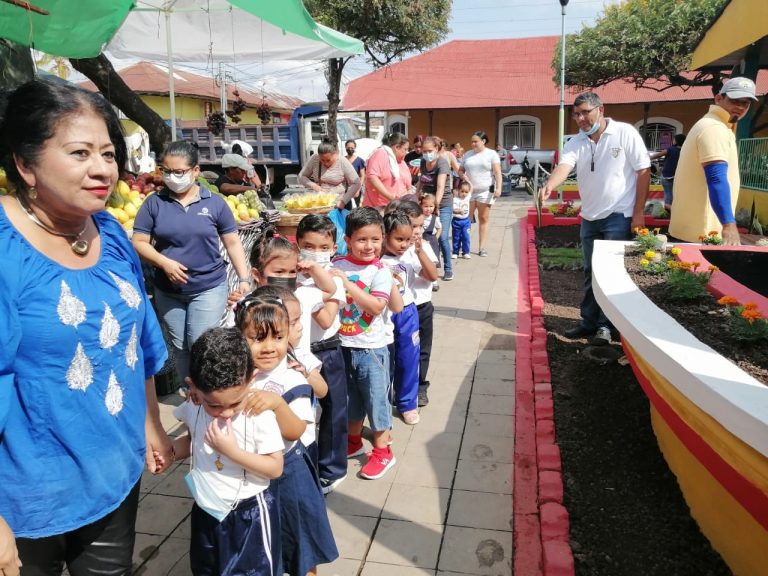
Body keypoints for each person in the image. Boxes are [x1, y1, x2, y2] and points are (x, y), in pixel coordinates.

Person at [0, 78, 172, 575]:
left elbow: (137, 343)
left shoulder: (112, 234)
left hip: (114, 471)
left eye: (108, 153)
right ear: (25, 164)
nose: (102, 170)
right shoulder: (6, 251)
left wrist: (153, 425)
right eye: (79, 153)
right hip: (27, 499)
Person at [235, 291, 338, 576]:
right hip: (253, 477)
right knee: (265, 549)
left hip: (291, 477)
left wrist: (278, 404)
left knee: (301, 550)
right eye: (257, 338)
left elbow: (295, 430)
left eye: (277, 337)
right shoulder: (237, 377)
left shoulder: (292, 378)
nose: (269, 347)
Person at [133, 140, 253, 385]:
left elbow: (232, 242)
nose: (172, 177)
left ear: (195, 171)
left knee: (200, 341)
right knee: (179, 345)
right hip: (169, 291)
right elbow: (139, 242)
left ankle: (207, 392)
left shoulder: (214, 202)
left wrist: (244, 277)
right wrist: (164, 263)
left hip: (208, 286)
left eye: (179, 172)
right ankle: (192, 392)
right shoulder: (154, 203)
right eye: (166, 171)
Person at [171, 327, 284, 576]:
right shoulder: (194, 404)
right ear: (193, 387)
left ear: (251, 379)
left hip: (249, 513)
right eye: (214, 404)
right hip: (206, 507)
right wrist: (169, 453)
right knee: (206, 568)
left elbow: (275, 467)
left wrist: (232, 452)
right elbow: (192, 441)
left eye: (235, 402)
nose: (226, 412)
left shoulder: (259, 415)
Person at [541, 91, 651, 346]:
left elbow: (643, 171)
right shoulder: (576, 141)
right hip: (590, 217)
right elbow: (564, 167)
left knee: (611, 274)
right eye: (576, 114)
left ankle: (606, 326)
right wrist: (549, 185)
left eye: (585, 112)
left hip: (619, 216)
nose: (580, 118)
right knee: (591, 271)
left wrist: (638, 213)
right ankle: (589, 321)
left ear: (601, 109)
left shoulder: (624, 133)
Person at [330, 207, 396, 479]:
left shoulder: (381, 271)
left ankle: (383, 452)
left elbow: (377, 305)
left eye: (375, 239)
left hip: (372, 349)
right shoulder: (338, 263)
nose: (369, 246)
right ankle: (354, 442)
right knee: (351, 401)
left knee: (376, 401)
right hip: (344, 345)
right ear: (348, 240)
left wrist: (346, 283)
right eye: (361, 240)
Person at [669, 77, 759, 246]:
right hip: (702, 234)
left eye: (745, 103)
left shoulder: (716, 125)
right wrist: (729, 224)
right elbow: (716, 177)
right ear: (718, 98)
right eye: (734, 100)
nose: (739, 107)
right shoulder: (714, 129)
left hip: (694, 230)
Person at [295, 215, 349, 495]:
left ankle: (332, 468)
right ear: (297, 244)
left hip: (326, 350)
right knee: (301, 411)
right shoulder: (289, 275)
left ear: (334, 247)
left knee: (334, 408)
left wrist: (309, 295)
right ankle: (302, 466)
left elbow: (326, 320)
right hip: (295, 354)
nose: (315, 253)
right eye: (309, 246)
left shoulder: (334, 281)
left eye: (323, 247)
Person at [384, 200, 438, 407]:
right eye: (413, 226)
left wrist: (418, 250)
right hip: (393, 310)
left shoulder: (417, 248)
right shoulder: (387, 250)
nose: (417, 231)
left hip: (419, 306)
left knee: (419, 352)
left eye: (420, 226)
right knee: (396, 354)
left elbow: (433, 275)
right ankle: (395, 391)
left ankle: (419, 388)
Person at [381, 211, 421, 425]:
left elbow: (431, 274)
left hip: (407, 312)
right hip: (383, 314)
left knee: (408, 358)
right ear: (385, 236)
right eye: (399, 239)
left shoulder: (411, 254)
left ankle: (407, 403)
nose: (404, 245)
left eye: (407, 239)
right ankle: (383, 403)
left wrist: (420, 250)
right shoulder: (377, 259)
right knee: (385, 360)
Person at [416, 136, 454, 280]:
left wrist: (435, 208)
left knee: (442, 237)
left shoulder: (442, 163)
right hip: (425, 203)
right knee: (424, 236)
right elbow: (421, 180)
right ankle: (426, 266)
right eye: (424, 151)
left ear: (437, 149)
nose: (426, 154)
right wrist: (415, 196)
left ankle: (448, 268)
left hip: (442, 204)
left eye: (429, 150)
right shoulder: (423, 161)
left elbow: (440, 187)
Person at [461, 130, 502, 257]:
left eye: (475, 141)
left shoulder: (491, 154)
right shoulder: (467, 154)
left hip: (485, 191)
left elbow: (497, 172)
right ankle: (464, 247)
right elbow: (460, 170)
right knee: (466, 219)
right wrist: (464, 178)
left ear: (483, 141)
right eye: (472, 141)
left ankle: (481, 247)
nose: (473, 144)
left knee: (483, 218)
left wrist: (498, 188)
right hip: (469, 192)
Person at [298, 139, 361, 210]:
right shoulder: (314, 158)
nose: (325, 163)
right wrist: (313, 185)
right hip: (319, 204)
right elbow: (301, 176)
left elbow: (356, 183)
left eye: (328, 160)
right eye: (322, 160)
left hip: (338, 205)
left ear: (335, 154)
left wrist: (343, 201)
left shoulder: (342, 161)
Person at [361, 132, 412, 209]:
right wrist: (390, 196)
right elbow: (372, 177)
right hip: (379, 208)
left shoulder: (401, 162)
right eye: (405, 149)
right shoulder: (381, 153)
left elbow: (408, 186)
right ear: (397, 147)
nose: (406, 152)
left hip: (398, 207)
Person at [650, 133, 686, 211]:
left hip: (667, 175)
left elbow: (659, 155)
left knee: (668, 193)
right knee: (674, 193)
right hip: (678, 176)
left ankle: (669, 209)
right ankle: (673, 209)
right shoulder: (685, 151)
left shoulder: (671, 149)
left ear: (676, 141)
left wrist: (648, 158)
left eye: (674, 139)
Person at [452, 178, 473, 259]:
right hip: (456, 221)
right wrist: (458, 211)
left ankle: (466, 252)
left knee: (466, 237)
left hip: (466, 221)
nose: (464, 194)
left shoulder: (467, 198)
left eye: (466, 192)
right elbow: (453, 210)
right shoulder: (455, 199)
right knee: (456, 237)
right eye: (462, 191)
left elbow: (471, 187)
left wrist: (466, 179)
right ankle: (455, 252)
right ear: (458, 191)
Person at [420, 193, 441, 265]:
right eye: (426, 206)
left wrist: (436, 238)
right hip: (422, 241)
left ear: (434, 207)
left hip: (432, 242)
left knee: (433, 261)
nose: (428, 209)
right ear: (421, 206)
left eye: (431, 206)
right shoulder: (420, 217)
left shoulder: (435, 218)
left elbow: (440, 228)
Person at [344, 139, 366, 209]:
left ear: (355, 148)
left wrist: (358, 189)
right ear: (345, 147)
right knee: (346, 207)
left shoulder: (360, 161)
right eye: (348, 148)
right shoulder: (342, 160)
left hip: (356, 187)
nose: (350, 149)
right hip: (344, 188)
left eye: (352, 148)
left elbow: (362, 176)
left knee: (356, 207)